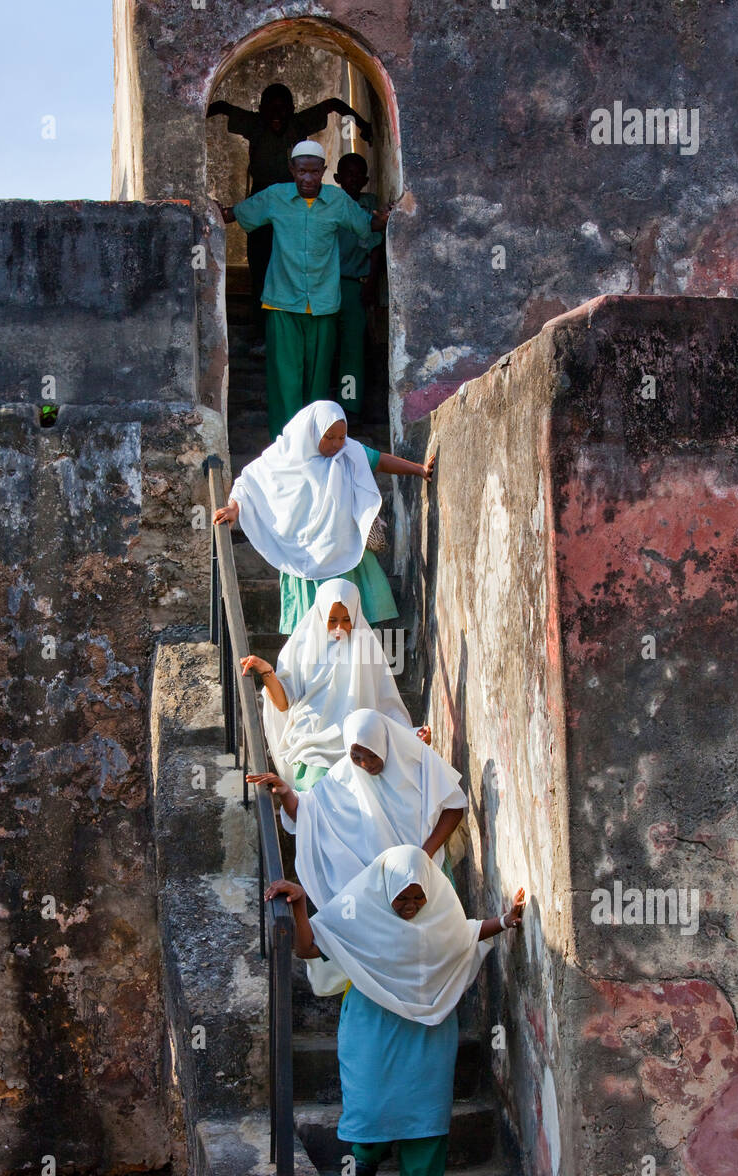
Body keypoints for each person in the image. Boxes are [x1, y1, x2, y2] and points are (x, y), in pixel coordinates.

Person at [266, 846, 526, 1176]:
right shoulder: (359, 915)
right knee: (370, 1106)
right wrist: (299, 904)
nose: (409, 907)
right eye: (400, 899)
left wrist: (506, 921)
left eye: (417, 898)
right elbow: (309, 948)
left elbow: (466, 931)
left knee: (426, 1133)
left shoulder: (439, 918)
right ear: (383, 891)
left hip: (428, 1031)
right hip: (372, 1027)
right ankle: (367, 1153)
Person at [212, 400, 435, 634]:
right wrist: (233, 509)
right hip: (304, 554)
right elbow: (249, 483)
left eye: (341, 437)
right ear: (313, 430)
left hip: (343, 547)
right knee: (313, 631)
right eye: (329, 437)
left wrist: (419, 470)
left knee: (353, 622)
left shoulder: (350, 451)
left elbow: (380, 461)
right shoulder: (283, 457)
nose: (337, 444)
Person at [219, 142, 391, 439]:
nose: (308, 179)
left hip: (324, 304)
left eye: (314, 172)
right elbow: (236, 214)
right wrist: (208, 210)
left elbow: (366, 226)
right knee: (284, 381)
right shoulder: (275, 197)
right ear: (292, 170)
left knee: (317, 382)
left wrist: (386, 217)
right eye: (302, 172)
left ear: (324, 171)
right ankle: (284, 444)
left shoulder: (337, 201)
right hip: (282, 303)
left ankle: (313, 443)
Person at [248, 708, 468, 907]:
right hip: (381, 887)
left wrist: (424, 856)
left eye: (373, 755)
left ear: (385, 743)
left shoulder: (417, 761)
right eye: (357, 756)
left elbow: (454, 806)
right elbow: (307, 812)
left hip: (425, 873)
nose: (366, 764)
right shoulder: (342, 777)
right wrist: (286, 793)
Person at [208, 85, 373, 340]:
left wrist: (363, 125)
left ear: (292, 110)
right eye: (271, 108)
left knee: (297, 264)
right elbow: (221, 107)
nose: (277, 114)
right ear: (261, 110)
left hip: (297, 202)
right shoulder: (254, 124)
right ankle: (262, 333)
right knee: (261, 266)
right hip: (264, 200)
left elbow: (332, 104)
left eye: (283, 108)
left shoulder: (298, 124)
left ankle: (299, 329)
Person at [241, 578, 431, 792]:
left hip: (358, 749)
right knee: (319, 805)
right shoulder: (301, 647)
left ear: (356, 615)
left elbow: (386, 702)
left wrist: (410, 735)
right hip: (313, 747)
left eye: (346, 619)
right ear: (321, 614)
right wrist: (267, 672)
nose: (339, 627)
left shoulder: (368, 647)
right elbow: (284, 703)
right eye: (332, 620)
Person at [334, 153, 384, 421]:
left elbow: (376, 249)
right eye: (347, 175)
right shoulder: (329, 202)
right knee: (324, 348)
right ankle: (319, 408)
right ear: (337, 178)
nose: (353, 180)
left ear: (365, 179)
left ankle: (349, 406)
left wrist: (372, 284)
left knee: (352, 351)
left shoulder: (369, 207)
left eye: (358, 175)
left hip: (355, 286)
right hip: (326, 286)